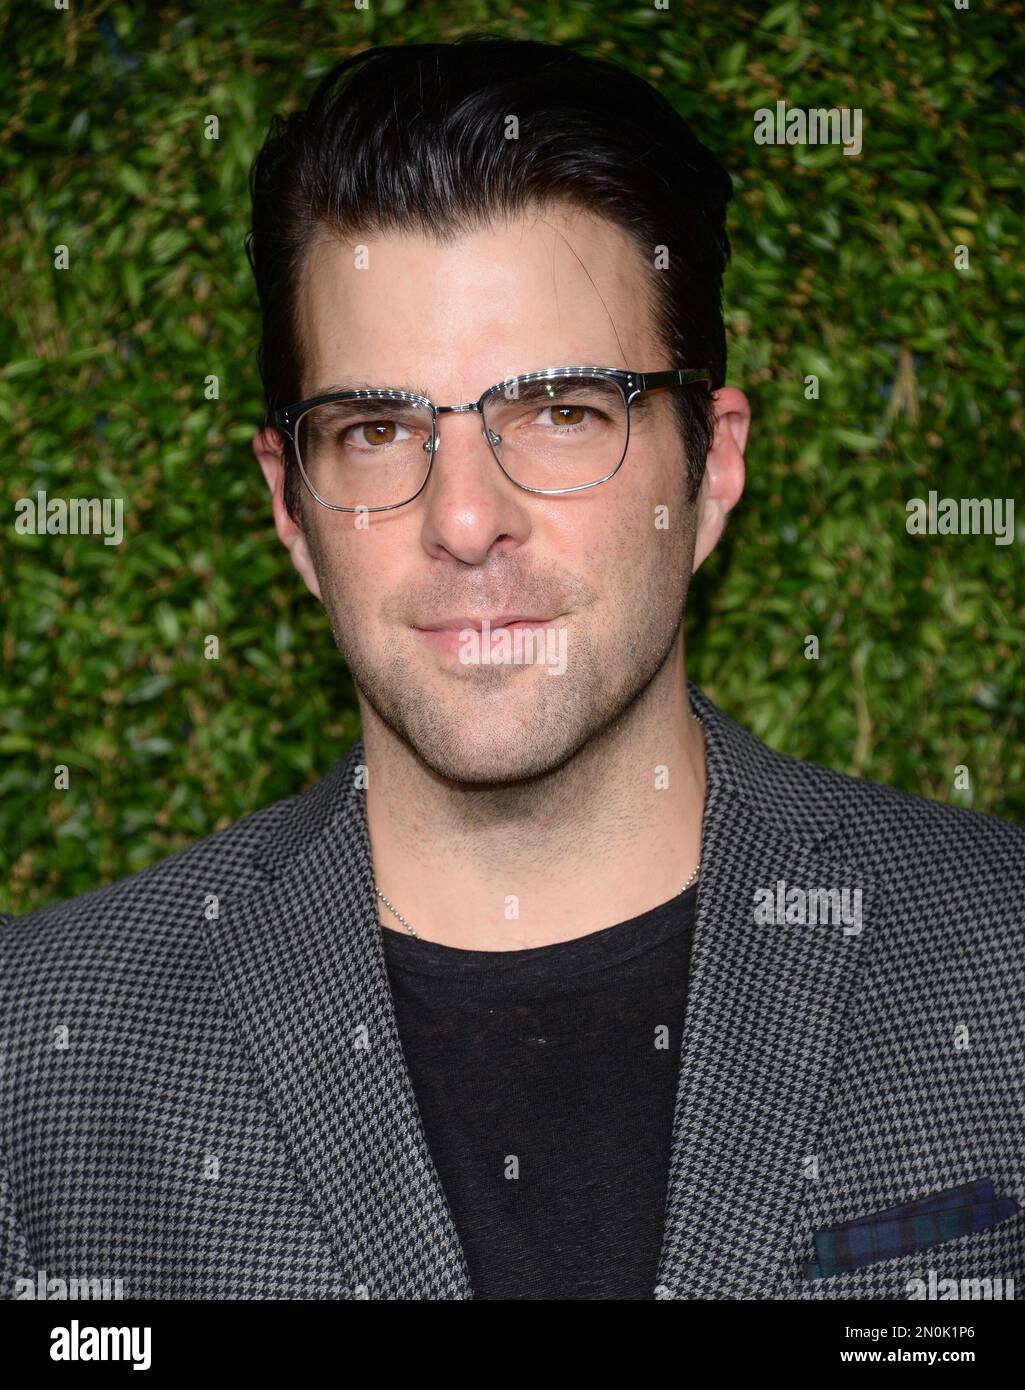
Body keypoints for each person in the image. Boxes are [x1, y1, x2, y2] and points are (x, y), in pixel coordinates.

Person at [3, 37, 1022, 1303]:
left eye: (560, 413)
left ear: (710, 471)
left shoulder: (998, 955)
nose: (466, 518)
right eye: (377, 432)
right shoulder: (45, 1049)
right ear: (289, 506)